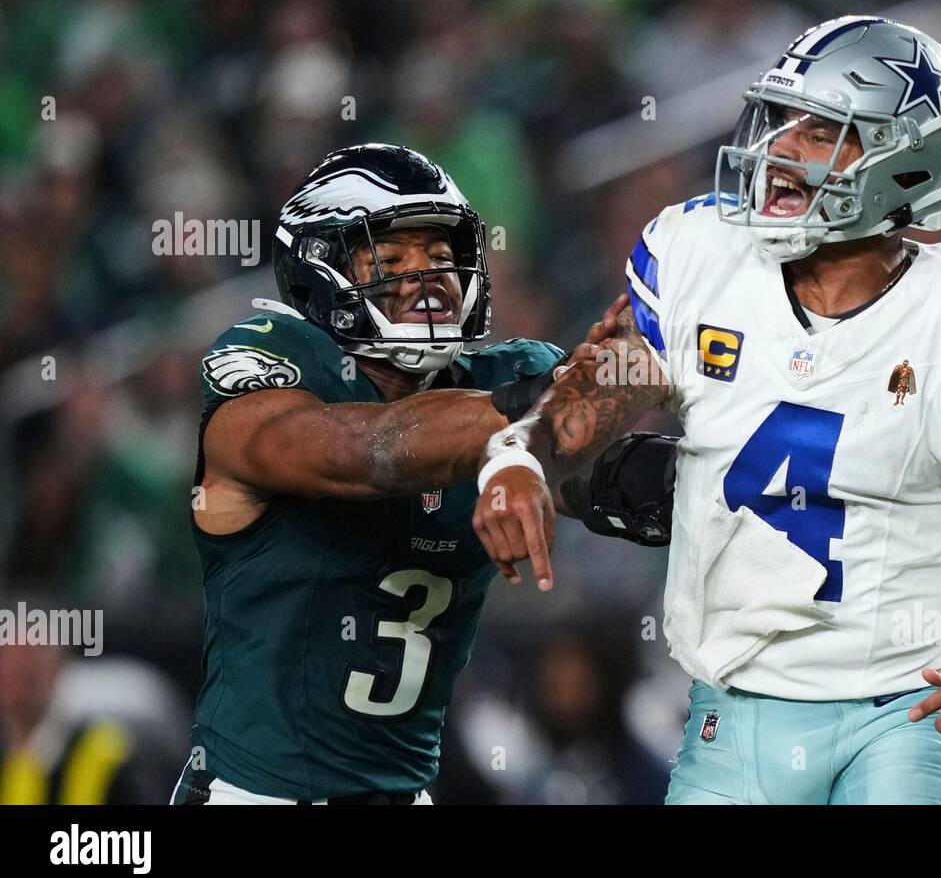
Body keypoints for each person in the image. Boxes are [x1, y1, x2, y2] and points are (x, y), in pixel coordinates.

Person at [473, 17, 941, 804]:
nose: (780, 148)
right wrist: (519, 459)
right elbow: (590, 400)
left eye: (821, 132)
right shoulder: (702, 258)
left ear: (904, 166)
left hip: (899, 720)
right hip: (727, 722)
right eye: (781, 120)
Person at [172, 143, 653, 805]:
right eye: (391, 259)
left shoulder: (503, 378)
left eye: (440, 257)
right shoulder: (267, 361)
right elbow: (365, 450)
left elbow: (611, 479)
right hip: (255, 795)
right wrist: (545, 403)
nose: (425, 278)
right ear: (321, 273)